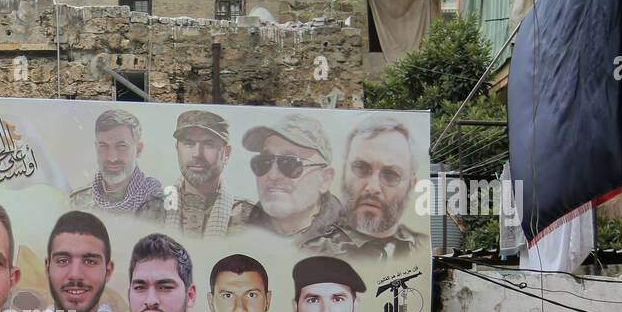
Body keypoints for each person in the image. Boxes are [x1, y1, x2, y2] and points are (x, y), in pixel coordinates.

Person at [302, 115, 429, 261]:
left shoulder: (422, 250)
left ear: (411, 185)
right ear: (344, 172)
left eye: (391, 174)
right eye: (361, 168)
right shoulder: (314, 253)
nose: (373, 187)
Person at [235, 115, 344, 247]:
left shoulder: (357, 245)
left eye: (290, 163)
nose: (273, 175)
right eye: (265, 162)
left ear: (325, 179)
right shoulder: (233, 232)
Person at [157, 110, 243, 238]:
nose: (197, 154)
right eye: (189, 143)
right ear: (177, 149)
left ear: (226, 153)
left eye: (209, 144)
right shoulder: (152, 211)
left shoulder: (250, 218)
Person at [69, 109, 165, 216]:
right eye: (104, 146)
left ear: (138, 149)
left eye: (121, 146)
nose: (112, 158)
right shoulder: (77, 203)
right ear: (96, 148)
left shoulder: (161, 203)